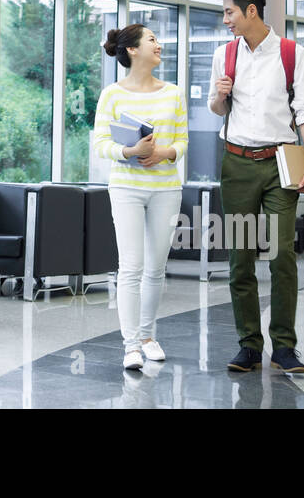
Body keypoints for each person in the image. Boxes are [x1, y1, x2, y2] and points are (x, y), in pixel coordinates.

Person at [207, 0, 304, 374]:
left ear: (251, 11)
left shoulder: (293, 54)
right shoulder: (224, 54)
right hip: (237, 164)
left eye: (229, 12)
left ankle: (285, 347)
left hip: (280, 165)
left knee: (281, 255)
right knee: (240, 259)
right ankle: (249, 346)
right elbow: (217, 110)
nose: (226, 20)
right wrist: (221, 95)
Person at [92, 24, 188, 371]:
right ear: (133, 50)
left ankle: (148, 336)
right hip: (126, 187)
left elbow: (182, 142)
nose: (158, 45)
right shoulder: (112, 94)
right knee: (131, 267)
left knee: (156, 268)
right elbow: (101, 143)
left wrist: (165, 153)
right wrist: (129, 150)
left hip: (165, 188)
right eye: (152, 40)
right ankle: (131, 345)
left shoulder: (174, 93)